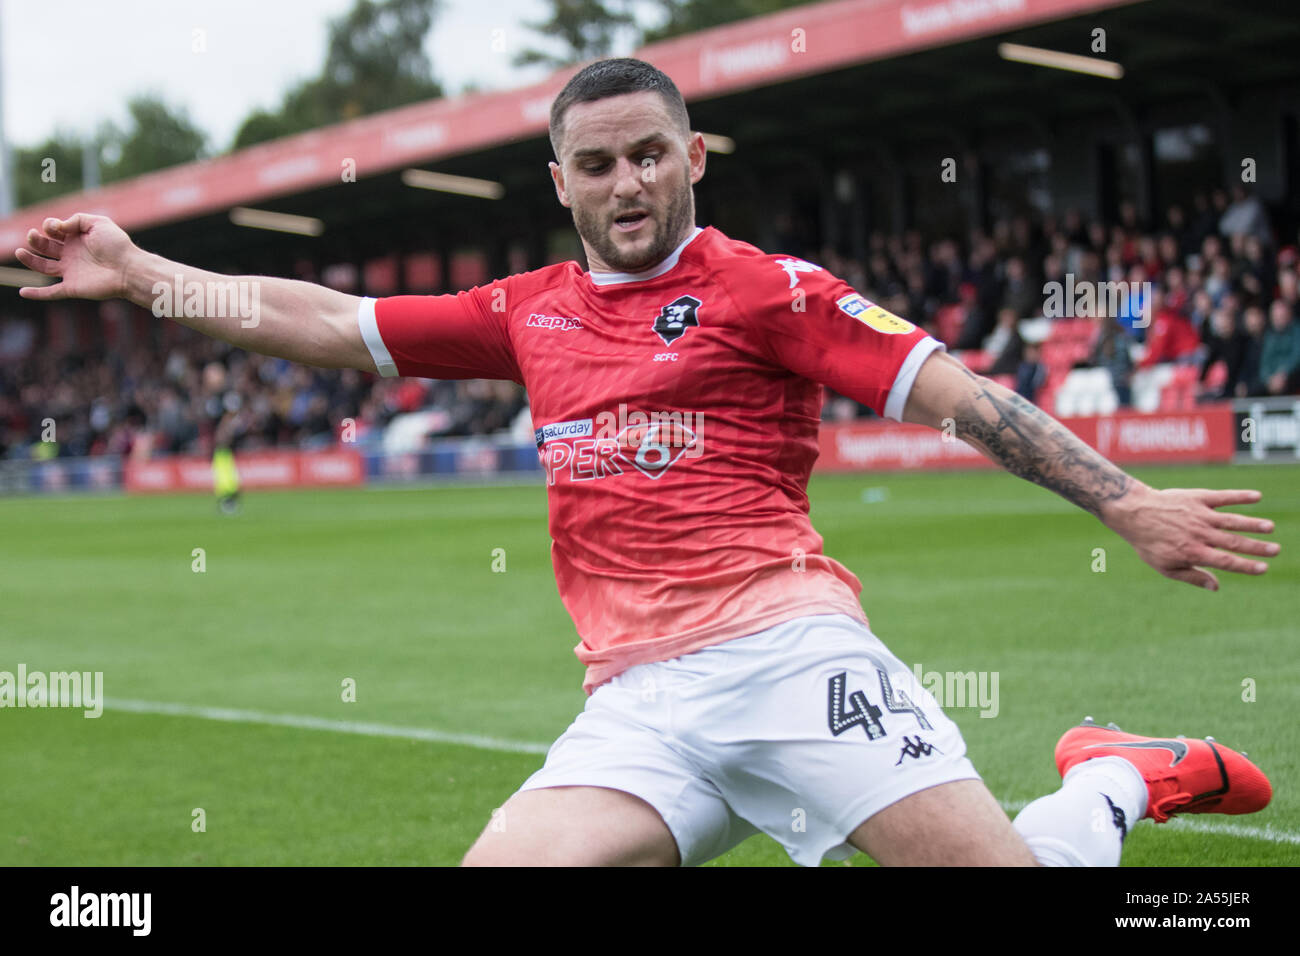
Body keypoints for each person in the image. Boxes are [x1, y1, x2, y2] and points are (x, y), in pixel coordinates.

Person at [16, 58, 1278, 868]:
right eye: (601, 162)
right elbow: (326, 322)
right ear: (560, 179)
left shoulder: (769, 290)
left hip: (788, 655)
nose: (630, 181)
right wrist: (139, 274)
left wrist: (1126, 502)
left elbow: (961, 395)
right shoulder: (528, 309)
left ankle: (1112, 773)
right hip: (638, 700)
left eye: (650, 153)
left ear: (692, 156)